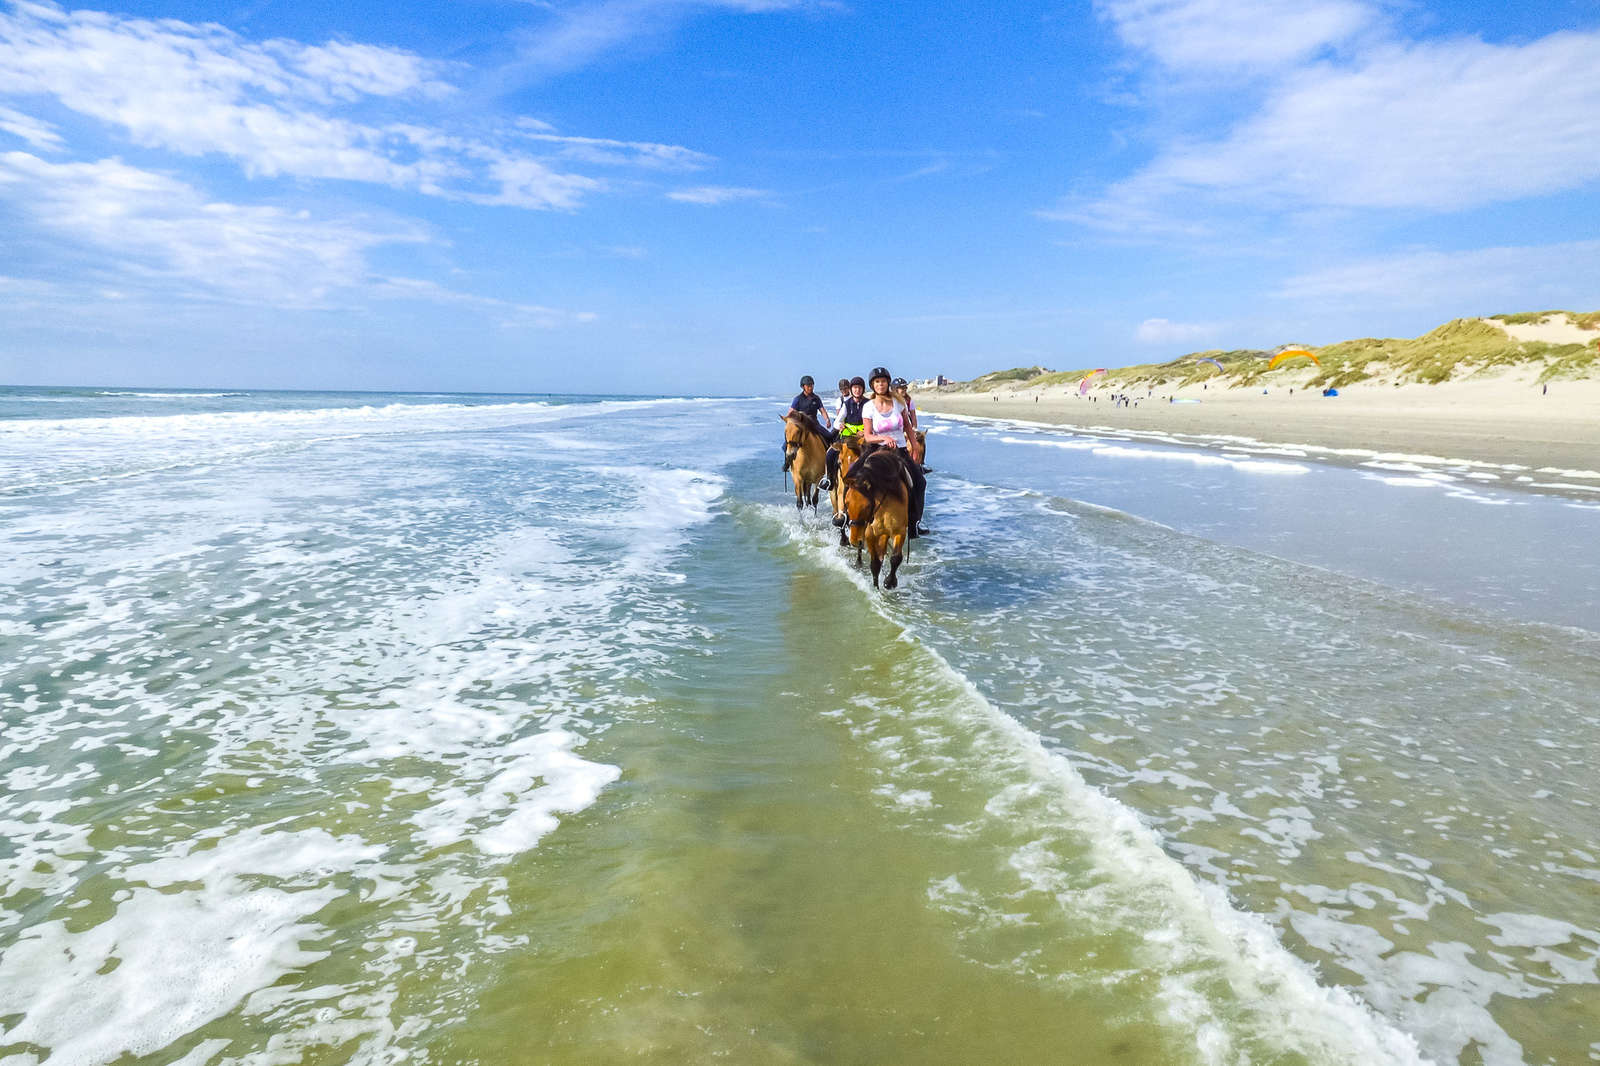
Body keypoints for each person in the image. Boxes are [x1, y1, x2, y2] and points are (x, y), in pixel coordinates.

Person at [858, 367, 928, 537]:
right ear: (873, 385)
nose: (880, 384)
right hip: (878, 449)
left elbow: (908, 426)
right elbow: (867, 436)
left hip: (900, 450)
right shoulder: (868, 407)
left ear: (887, 383)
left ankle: (914, 522)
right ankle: (851, 519)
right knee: (855, 478)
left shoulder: (898, 403)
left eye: (883, 381)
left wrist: (915, 445)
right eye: (877, 382)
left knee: (919, 482)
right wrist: (882, 438)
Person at [823, 376, 866, 490]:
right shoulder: (846, 404)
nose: (857, 390)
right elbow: (837, 422)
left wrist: (866, 431)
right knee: (830, 454)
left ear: (863, 389)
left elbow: (876, 421)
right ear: (852, 389)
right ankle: (829, 480)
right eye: (855, 388)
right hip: (847, 438)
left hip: (863, 438)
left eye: (859, 388)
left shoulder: (869, 404)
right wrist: (840, 425)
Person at [783, 375, 832, 471]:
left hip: (814, 424)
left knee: (829, 436)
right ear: (803, 387)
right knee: (786, 443)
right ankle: (787, 462)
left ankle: (830, 461)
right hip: (802, 426)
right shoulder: (798, 399)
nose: (811, 387)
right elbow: (790, 413)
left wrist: (827, 419)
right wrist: (789, 422)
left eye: (812, 385)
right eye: (808, 385)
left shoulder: (816, 398)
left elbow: (822, 410)